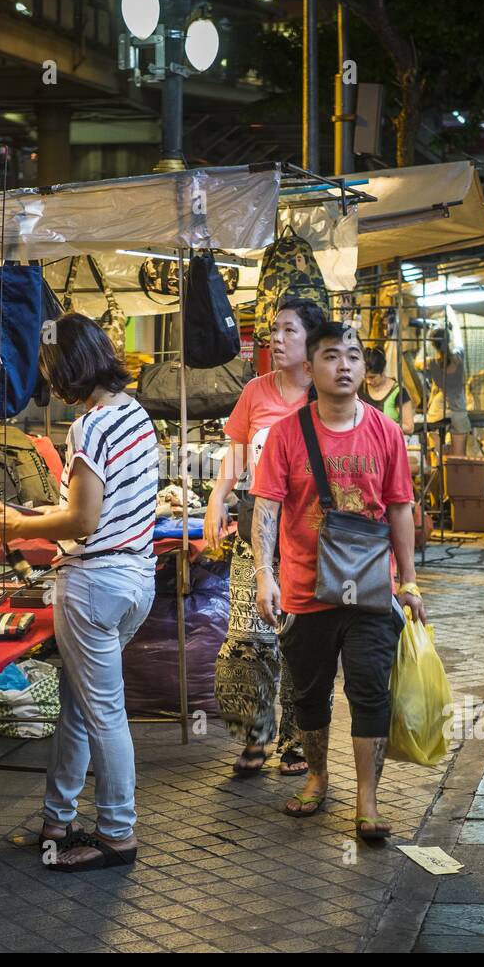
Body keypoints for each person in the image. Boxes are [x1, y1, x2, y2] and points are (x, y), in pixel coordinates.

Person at [0, 313, 158, 872]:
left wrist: (16, 526)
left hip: (94, 582)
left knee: (102, 713)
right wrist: (28, 516)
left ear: (65, 369)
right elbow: (97, 512)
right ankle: (57, 820)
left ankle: (117, 834)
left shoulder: (91, 426)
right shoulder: (136, 415)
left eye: (47, 366)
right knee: (79, 709)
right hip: (135, 580)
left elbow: (81, 520)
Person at [251, 322, 426, 841]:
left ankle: (367, 801)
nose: (345, 365)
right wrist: (265, 575)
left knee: (371, 691)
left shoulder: (386, 431)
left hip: (372, 591)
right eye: (331, 356)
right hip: (306, 589)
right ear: (310, 369)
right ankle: (318, 778)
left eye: (353, 356)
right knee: (309, 693)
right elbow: (267, 507)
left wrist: (410, 583)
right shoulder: (287, 434)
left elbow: (399, 508)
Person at [204, 298, 323, 777]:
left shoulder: (328, 398)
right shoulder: (256, 391)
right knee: (246, 641)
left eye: (289, 331)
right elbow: (235, 454)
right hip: (255, 535)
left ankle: (296, 743)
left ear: (312, 341)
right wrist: (217, 497)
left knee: (302, 644)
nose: (276, 339)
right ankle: (254, 737)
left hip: (312, 542)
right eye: (274, 330)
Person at [415, 326, 471, 456]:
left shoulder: (431, 362)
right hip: (457, 409)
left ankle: (440, 474)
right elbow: (459, 342)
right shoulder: (459, 357)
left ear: (434, 345)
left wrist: (425, 341)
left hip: (437, 411)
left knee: (438, 457)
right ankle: (454, 475)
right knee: (458, 458)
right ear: (448, 341)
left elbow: (416, 362)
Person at [360, 347, 414, 434]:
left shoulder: (398, 392)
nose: (368, 381)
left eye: (372, 377)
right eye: (365, 377)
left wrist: (383, 425)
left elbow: (409, 427)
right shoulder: (360, 389)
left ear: (383, 370)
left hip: (388, 444)